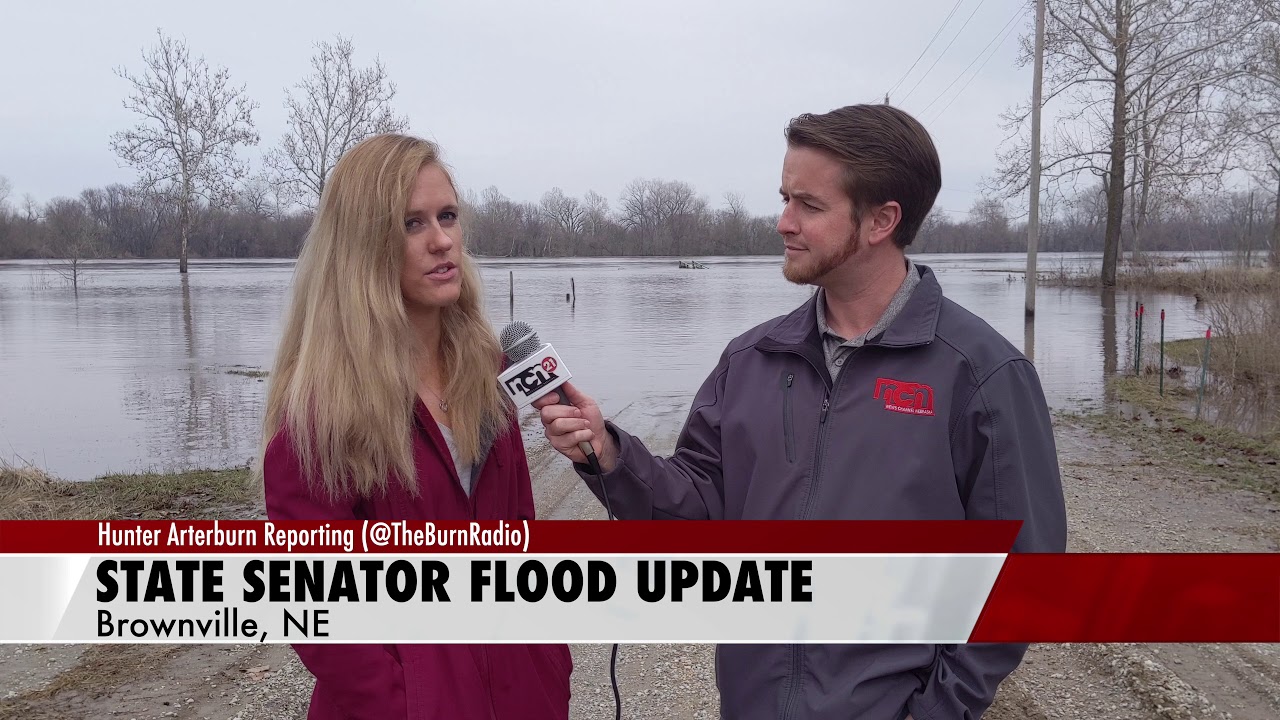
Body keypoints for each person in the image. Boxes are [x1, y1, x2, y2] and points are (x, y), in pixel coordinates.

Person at [534, 105, 1067, 719]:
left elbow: (1022, 575)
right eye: (785, 198)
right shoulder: (751, 360)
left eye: (809, 205)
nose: (783, 222)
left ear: (882, 220)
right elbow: (696, 514)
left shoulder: (981, 374)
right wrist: (608, 454)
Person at [258, 133, 572, 720]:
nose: (441, 240)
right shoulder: (321, 417)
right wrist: (406, 703)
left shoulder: (489, 376)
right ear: (363, 246)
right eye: (411, 224)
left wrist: (547, 662)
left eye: (447, 216)